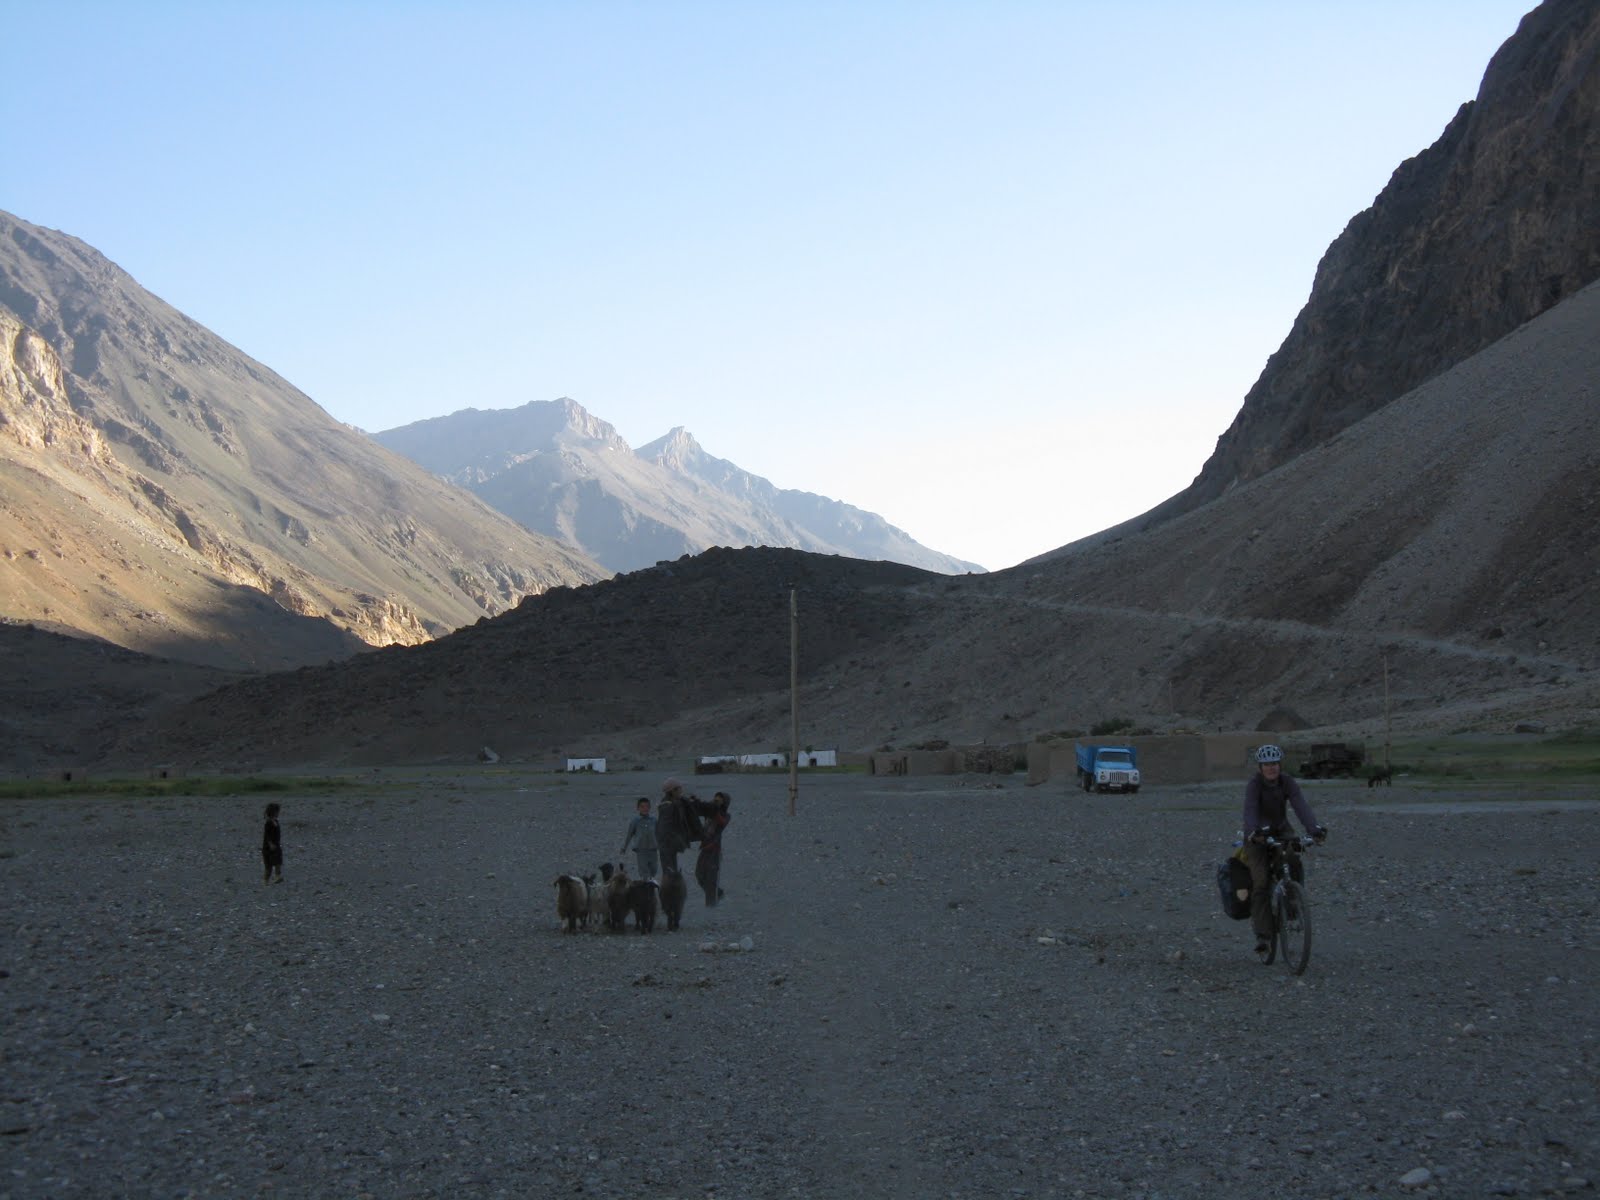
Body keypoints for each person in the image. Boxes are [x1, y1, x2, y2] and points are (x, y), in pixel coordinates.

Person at [1241, 744, 1326, 956]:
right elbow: (1250, 810)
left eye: (1275, 764)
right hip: (1257, 835)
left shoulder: (1287, 782)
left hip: (1281, 830)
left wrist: (1313, 829)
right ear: (1261, 767)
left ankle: (1294, 902)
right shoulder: (1254, 785)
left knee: (1293, 859)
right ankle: (1263, 936)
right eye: (1267, 764)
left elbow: (1300, 806)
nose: (1272, 768)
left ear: (1280, 765)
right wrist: (1253, 831)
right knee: (1260, 882)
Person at [693, 791, 731, 907]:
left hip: (714, 850)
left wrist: (713, 807)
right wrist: (696, 802)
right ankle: (718, 893)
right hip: (704, 848)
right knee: (699, 875)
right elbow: (698, 810)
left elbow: (720, 821)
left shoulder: (726, 816)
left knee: (711, 879)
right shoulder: (709, 810)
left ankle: (710, 906)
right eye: (716, 797)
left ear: (724, 803)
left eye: (720, 799)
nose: (717, 800)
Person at [655, 778, 698, 874]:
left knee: (672, 870)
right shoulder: (667, 806)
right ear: (672, 791)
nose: (681, 791)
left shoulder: (675, 802)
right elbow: (664, 828)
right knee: (669, 871)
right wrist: (674, 841)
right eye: (679, 789)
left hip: (670, 844)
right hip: (666, 844)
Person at [620, 796, 659, 880]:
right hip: (641, 850)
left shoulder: (654, 820)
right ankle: (646, 887)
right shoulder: (635, 821)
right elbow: (629, 835)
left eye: (647, 806)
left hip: (653, 849)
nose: (645, 809)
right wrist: (624, 847)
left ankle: (650, 883)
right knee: (644, 871)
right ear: (638, 808)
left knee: (654, 869)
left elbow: (659, 834)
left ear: (650, 807)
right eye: (642, 807)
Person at [261, 801, 283, 884]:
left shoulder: (276, 821)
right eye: (277, 812)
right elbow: (267, 835)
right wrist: (270, 844)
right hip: (268, 848)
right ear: (273, 812)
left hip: (276, 845)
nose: (278, 813)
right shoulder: (268, 823)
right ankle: (265, 881)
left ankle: (278, 876)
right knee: (268, 867)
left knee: (278, 862)